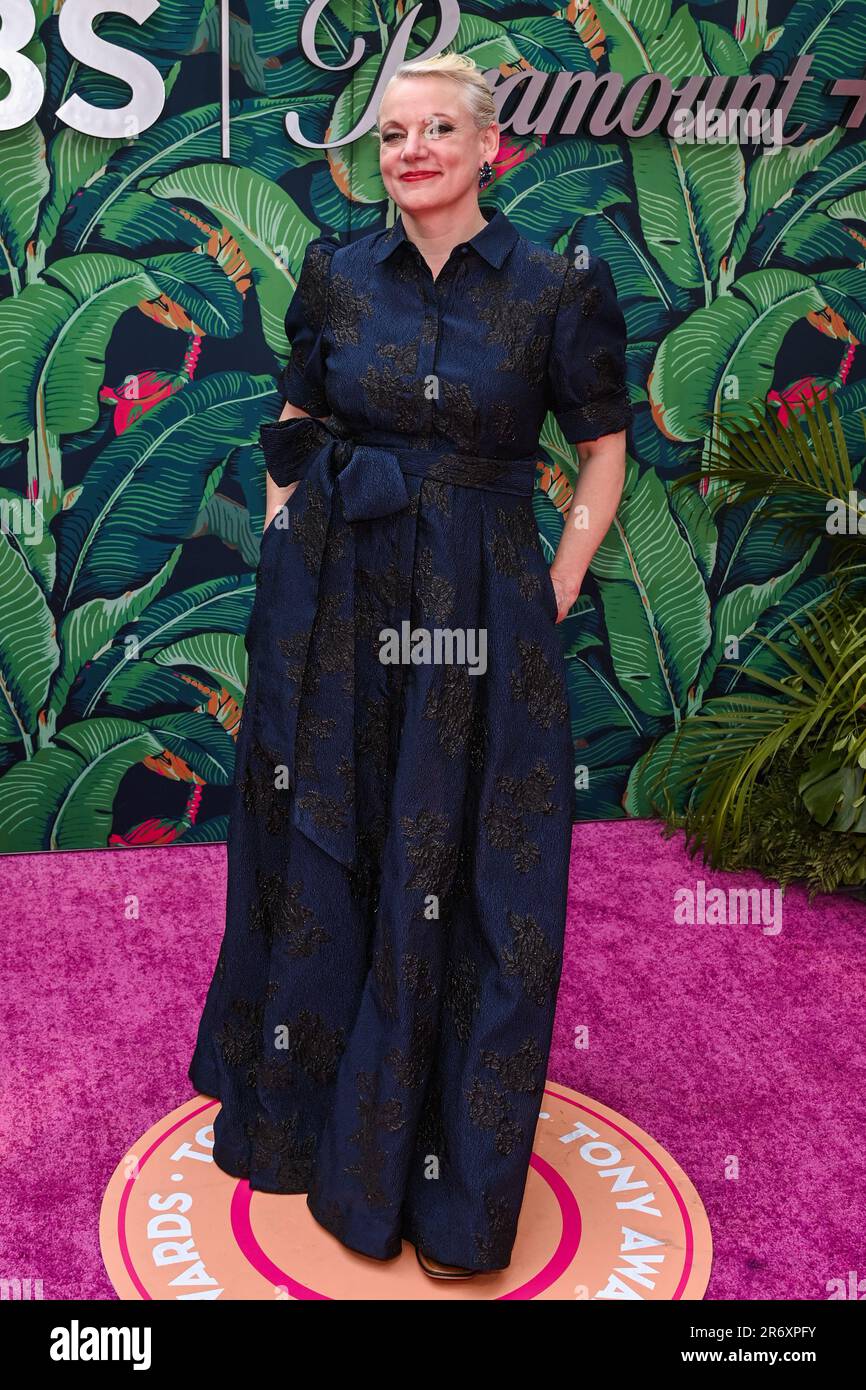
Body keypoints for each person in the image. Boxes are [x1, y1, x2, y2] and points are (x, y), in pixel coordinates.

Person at [188, 51, 630, 1282]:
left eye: (438, 129)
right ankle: (308, 1124)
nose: (411, 151)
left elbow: (601, 446)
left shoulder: (552, 288)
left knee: (472, 870)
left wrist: (561, 576)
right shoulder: (334, 273)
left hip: (482, 608)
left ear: (490, 148)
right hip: (343, 593)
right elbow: (298, 421)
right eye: (391, 135)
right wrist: (287, 538)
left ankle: (445, 1188)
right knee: (340, 844)